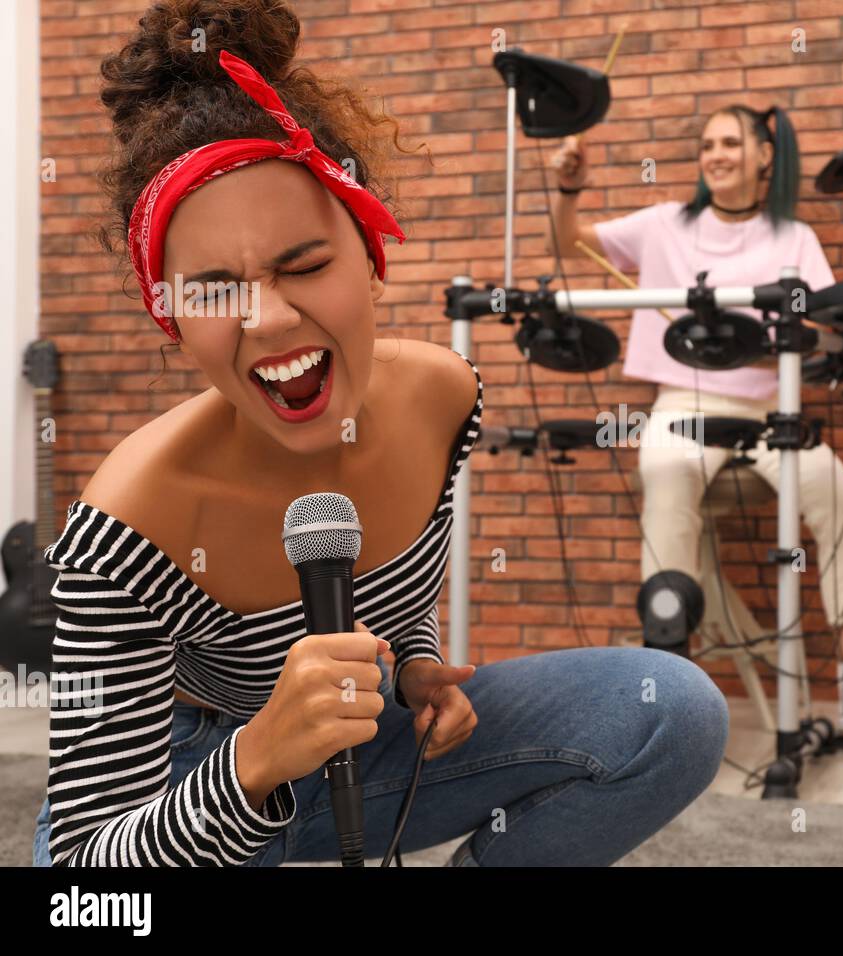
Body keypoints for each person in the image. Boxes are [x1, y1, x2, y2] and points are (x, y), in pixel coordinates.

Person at [32, 0, 728, 868]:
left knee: (670, 709)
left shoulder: (442, 397)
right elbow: (81, 881)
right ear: (170, 318)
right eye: (212, 289)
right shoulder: (129, 526)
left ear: (370, 255)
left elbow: (398, 610)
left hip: (363, 754)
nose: (271, 319)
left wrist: (413, 670)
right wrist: (254, 760)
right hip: (191, 791)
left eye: (307, 265)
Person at [548, 104, 843, 729]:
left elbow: (821, 330)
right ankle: (666, 680)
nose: (716, 154)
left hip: (771, 405)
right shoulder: (663, 225)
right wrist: (569, 188)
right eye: (707, 144)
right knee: (669, 475)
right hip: (683, 404)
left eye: (731, 142)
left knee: (841, 497)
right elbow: (568, 243)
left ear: (765, 155)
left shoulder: (794, 238)